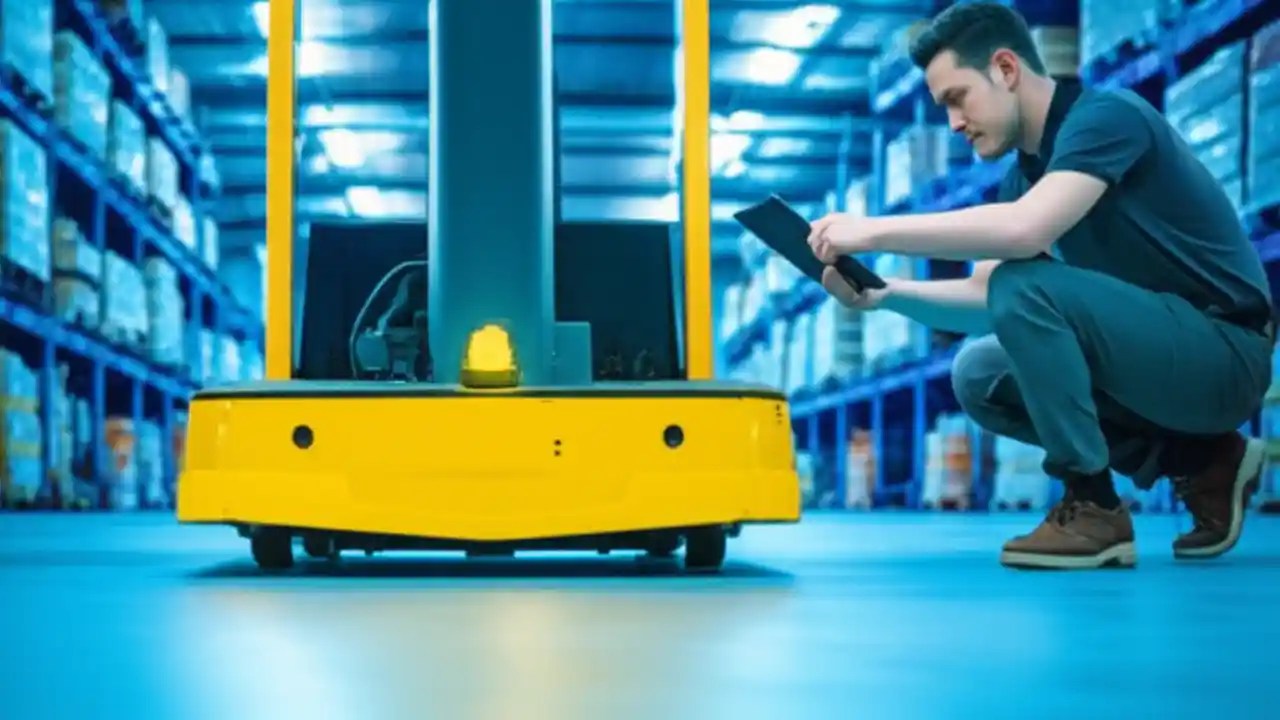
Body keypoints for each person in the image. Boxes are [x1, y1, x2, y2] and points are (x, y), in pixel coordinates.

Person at [806, 1, 1274, 570]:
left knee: (1023, 283)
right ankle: (1204, 462)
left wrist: (873, 230)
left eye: (957, 98)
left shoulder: (1107, 118)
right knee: (979, 372)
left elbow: (1024, 235)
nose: (953, 123)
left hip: (1225, 353)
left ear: (1006, 69)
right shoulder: (1026, 177)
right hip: (1164, 355)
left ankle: (1093, 505)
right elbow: (986, 300)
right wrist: (885, 295)